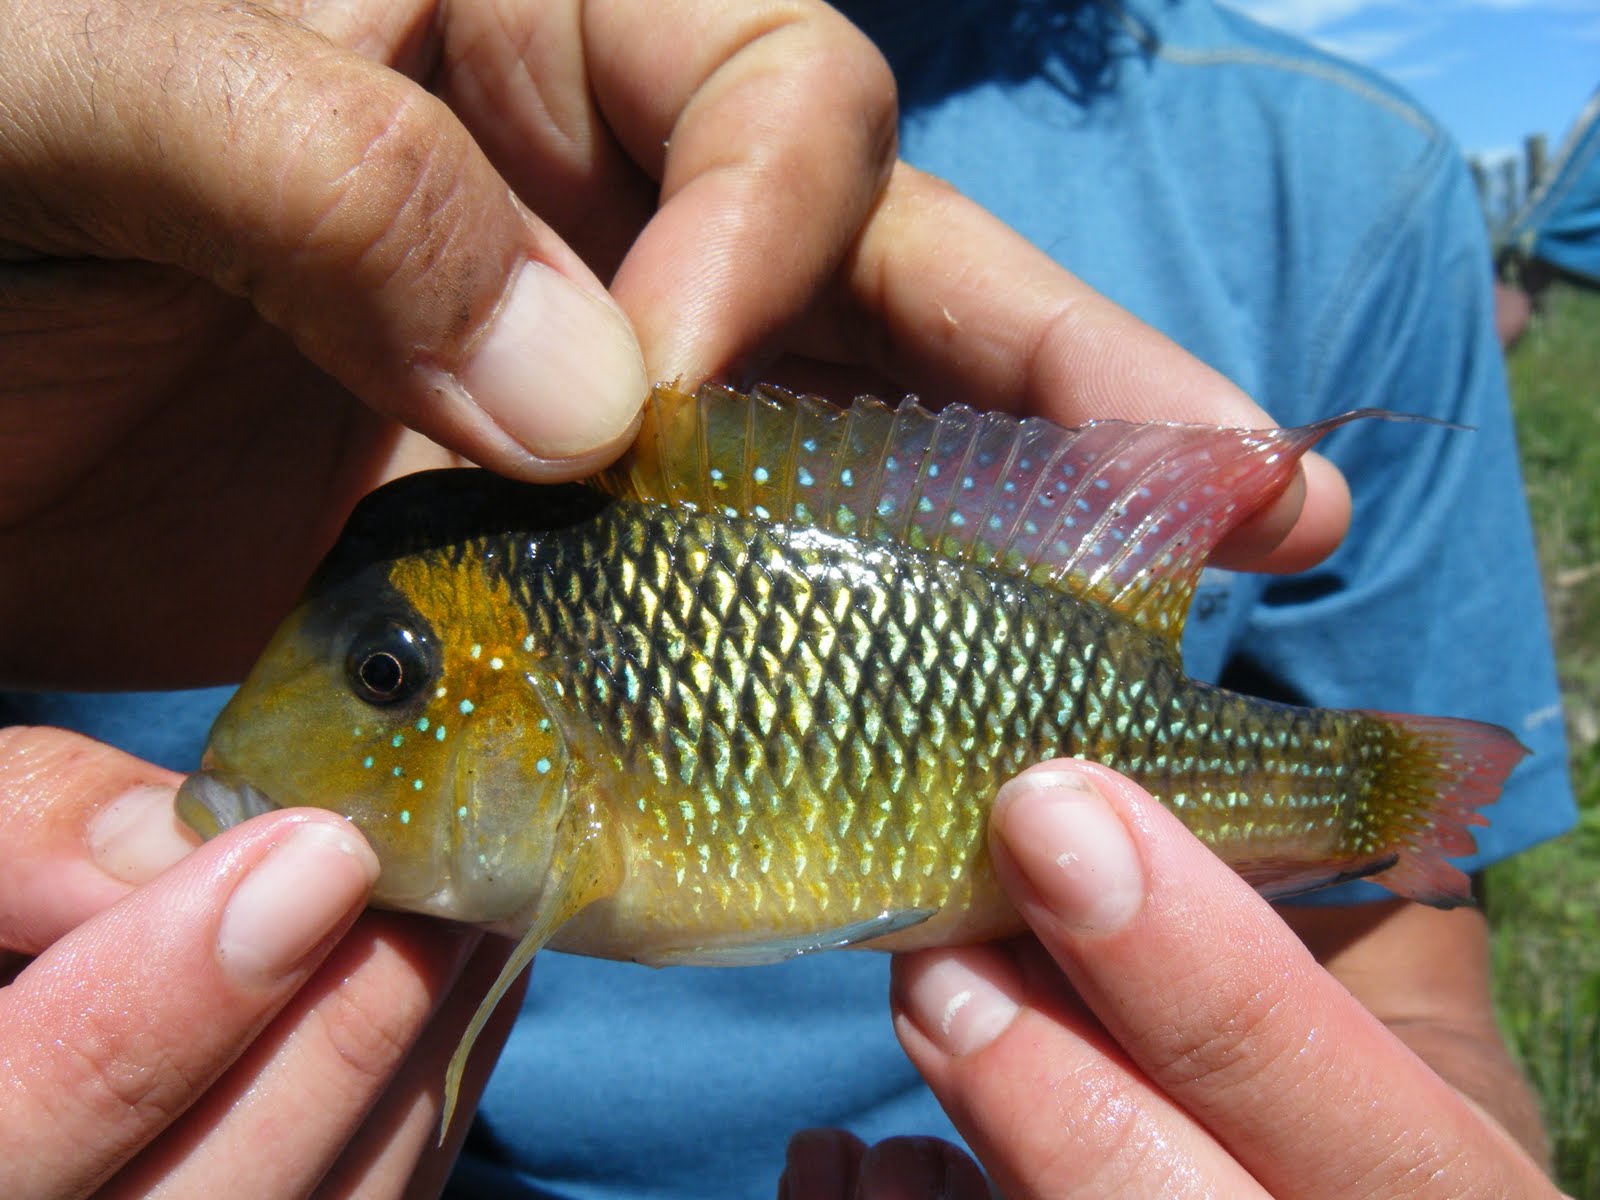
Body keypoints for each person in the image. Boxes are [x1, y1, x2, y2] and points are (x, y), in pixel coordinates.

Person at [0, 1, 1572, 1197]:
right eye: (388, 672)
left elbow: (1413, 985)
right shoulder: (193, 127)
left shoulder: (1349, 186)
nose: (366, 695)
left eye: (390, 677)